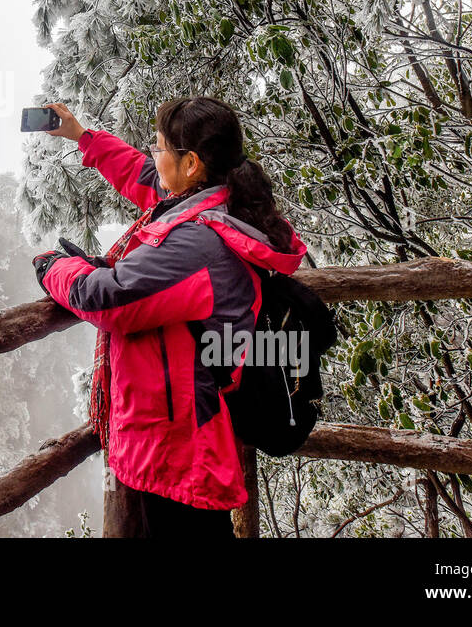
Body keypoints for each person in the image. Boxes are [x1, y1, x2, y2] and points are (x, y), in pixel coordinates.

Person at [32, 96, 309, 538]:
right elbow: (142, 175)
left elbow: (103, 297)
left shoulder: (198, 244)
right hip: (180, 431)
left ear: (193, 163)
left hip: (179, 452)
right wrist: (82, 136)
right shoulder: (219, 202)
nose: (154, 156)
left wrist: (53, 267)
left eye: (160, 147)